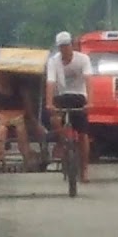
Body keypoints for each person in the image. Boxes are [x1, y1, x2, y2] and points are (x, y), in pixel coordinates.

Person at [46, 31, 93, 182]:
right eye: (61, 47)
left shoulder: (83, 59)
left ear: (72, 45)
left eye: (66, 46)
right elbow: (51, 83)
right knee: (54, 119)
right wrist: (49, 103)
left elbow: (88, 80)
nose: (64, 50)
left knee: (83, 134)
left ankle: (84, 168)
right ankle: (62, 141)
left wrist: (90, 102)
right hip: (62, 96)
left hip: (79, 96)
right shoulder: (53, 61)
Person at [0, 71, 36, 170]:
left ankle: (26, 157)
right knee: (2, 130)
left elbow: (27, 108)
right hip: (1, 118)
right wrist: (0, 116)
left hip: (18, 117)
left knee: (21, 129)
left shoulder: (19, 90)